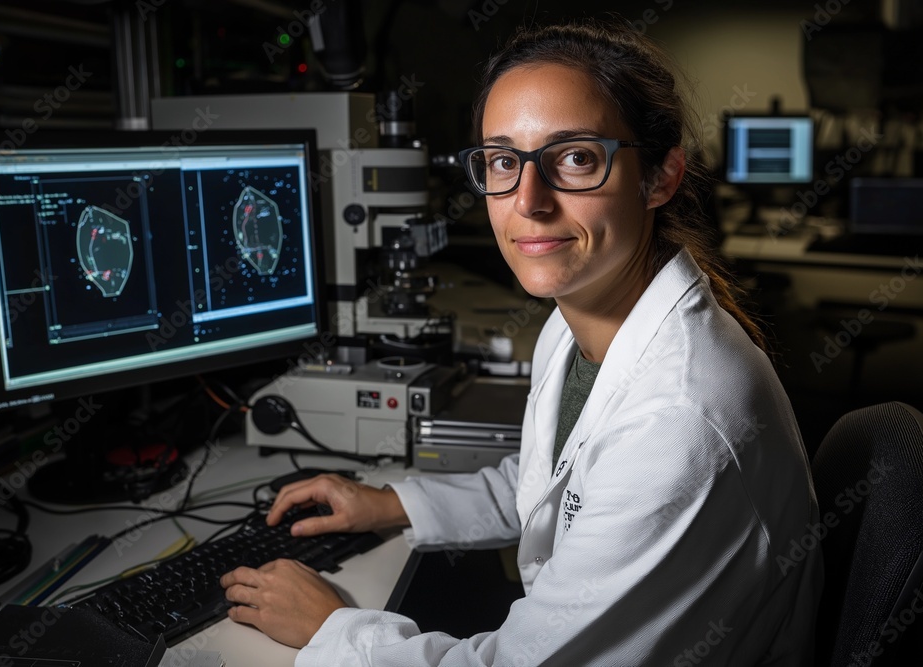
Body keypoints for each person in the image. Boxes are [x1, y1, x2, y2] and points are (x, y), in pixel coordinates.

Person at [220, 18, 823, 666]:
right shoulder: (579, 320)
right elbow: (550, 481)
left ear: (661, 176)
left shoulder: (678, 420)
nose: (528, 201)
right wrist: (390, 502)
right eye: (504, 162)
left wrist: (333, 626)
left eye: (575, 158)